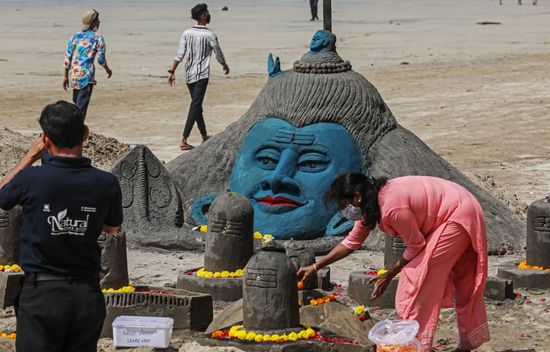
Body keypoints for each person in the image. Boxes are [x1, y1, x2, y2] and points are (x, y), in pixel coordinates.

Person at [298, 173, 490, 352]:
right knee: (462, 280)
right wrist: (316, 266)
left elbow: (416, 245)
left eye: (343, 205)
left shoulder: (391, 208)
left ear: (357, 197)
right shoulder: (370, 205)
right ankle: (464, 344)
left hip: (457, 213)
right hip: (459, 207)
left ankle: (413, 345)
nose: (343, 212)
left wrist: (390, 274)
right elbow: (351, 242)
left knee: (419, 277)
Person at [0, 101, 123, 351]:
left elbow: (3, 196)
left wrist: (30, 157)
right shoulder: (106, 183)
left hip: (41, 297)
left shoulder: (31, 179)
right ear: (85, 134)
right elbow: (112, 229)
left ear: (45, 139)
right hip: (87, 295)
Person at [167, 3, 230, 151]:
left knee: (197, 105)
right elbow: (218, 53)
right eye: (207, 13)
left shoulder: (186, 33)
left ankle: (203, 136)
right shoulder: (210, 35)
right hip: (202, 75)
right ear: (202, 16)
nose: (209, 15)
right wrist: (224, 65)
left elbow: (180, 54)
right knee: (195, 105)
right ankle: (183, 139)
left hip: (188, 74)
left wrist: (172, 71)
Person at [63, 9, 112, 121]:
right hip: (86, 77)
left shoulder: (74, 37)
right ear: (93, 22)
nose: (99, 22)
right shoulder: (97, 38)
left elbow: (68, 58)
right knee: (81, 110)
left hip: (74, 76)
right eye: (98, 20)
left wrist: (65, 76)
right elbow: (101, 59)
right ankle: (76, 134)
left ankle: (74, 131)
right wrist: (107, 69)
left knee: (76, 107)